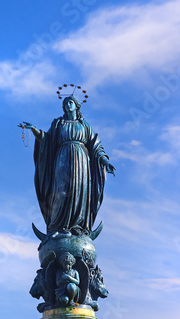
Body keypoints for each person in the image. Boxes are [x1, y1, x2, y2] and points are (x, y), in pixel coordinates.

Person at [19, 96, 115, 236]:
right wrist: (34, 129)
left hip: (82, 162)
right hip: (63, 159)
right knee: (61, 190)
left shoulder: (85, 125)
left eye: (70, 102)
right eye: (65, 103)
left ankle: (77, 226)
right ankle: (58, 225)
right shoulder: (59, 123)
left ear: (76, 105)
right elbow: (47, 139)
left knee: (80, 190)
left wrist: (105, 161)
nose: (68, 105)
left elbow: (96, 146)